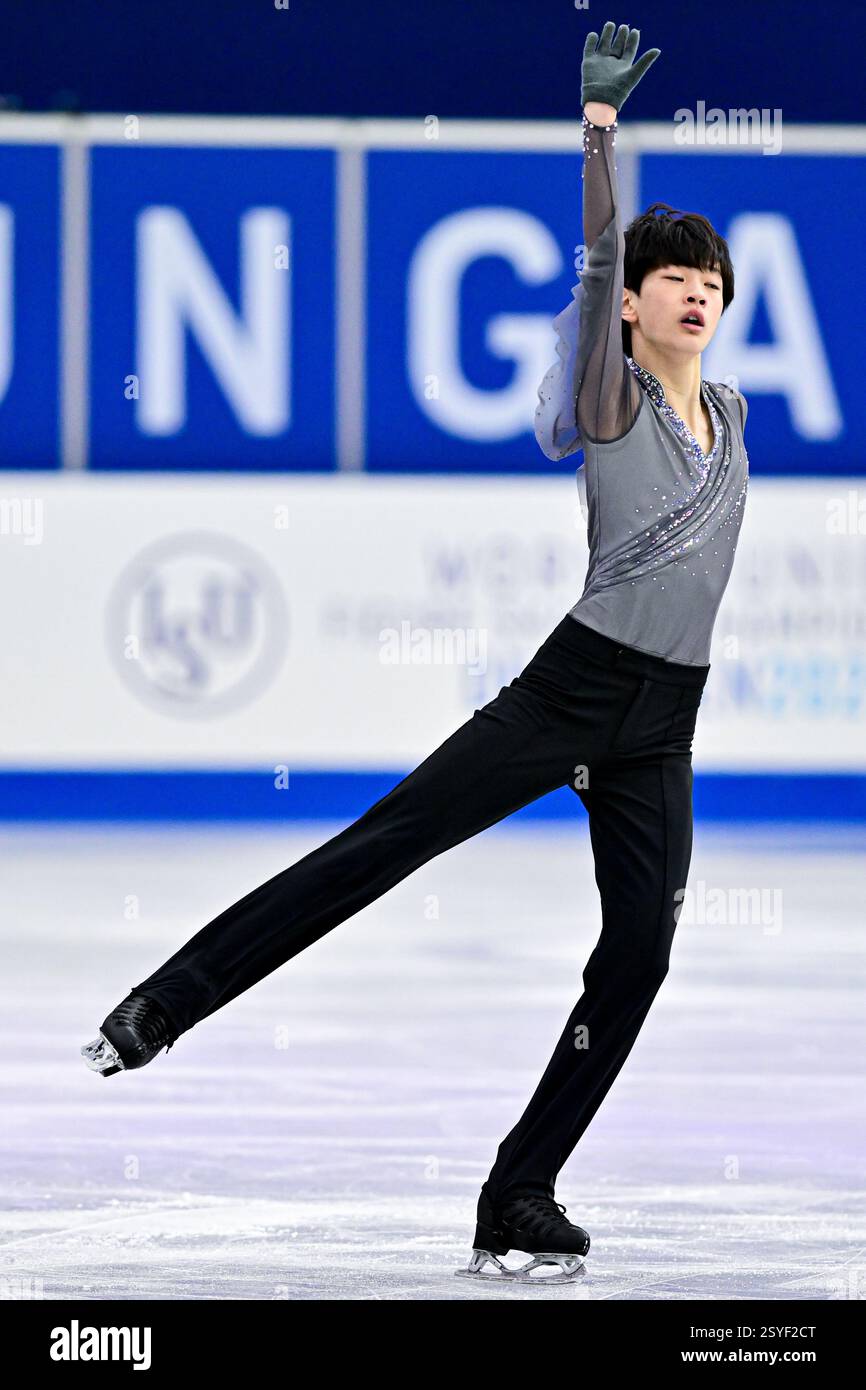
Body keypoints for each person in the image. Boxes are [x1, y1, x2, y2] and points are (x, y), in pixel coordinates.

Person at [81, 21, 749, 1284]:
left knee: (641, 952)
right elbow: (601, 256)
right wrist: (600, 137)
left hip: (663, 719)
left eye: (708, 273)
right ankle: (163, 1004)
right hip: (575, 686)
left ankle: (518, 1193)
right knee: (388, 843)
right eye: (672, 276)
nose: (694, 287)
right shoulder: (608, 397)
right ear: (630, 304)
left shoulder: (727, 415)